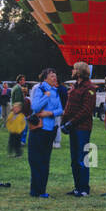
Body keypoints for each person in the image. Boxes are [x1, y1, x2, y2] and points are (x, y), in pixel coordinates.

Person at [60, 61, 96, 197]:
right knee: (74, 159)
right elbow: (69, 106)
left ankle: (84, 188)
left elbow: (86, 110)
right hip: (72, 127)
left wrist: (71, 123)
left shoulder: (89, 88)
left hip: (82, 128)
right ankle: (77, 187)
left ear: (80, 71)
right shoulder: (74, 86)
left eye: (74, 69)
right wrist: (64, 122)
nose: (72, 71)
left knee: (83, 158)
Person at [28, 69, 61, 197]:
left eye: (55, 76)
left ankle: (41, 189)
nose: (55, 78)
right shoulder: (40, 89)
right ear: (45, 78)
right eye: (52, 76)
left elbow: (60, 110)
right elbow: (35, 107)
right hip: (39, 129)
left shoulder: (55, 91)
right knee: (36, 160)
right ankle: (36, 189)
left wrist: (50, 113)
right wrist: (45, 97)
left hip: (49, 129)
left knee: (44, 160)